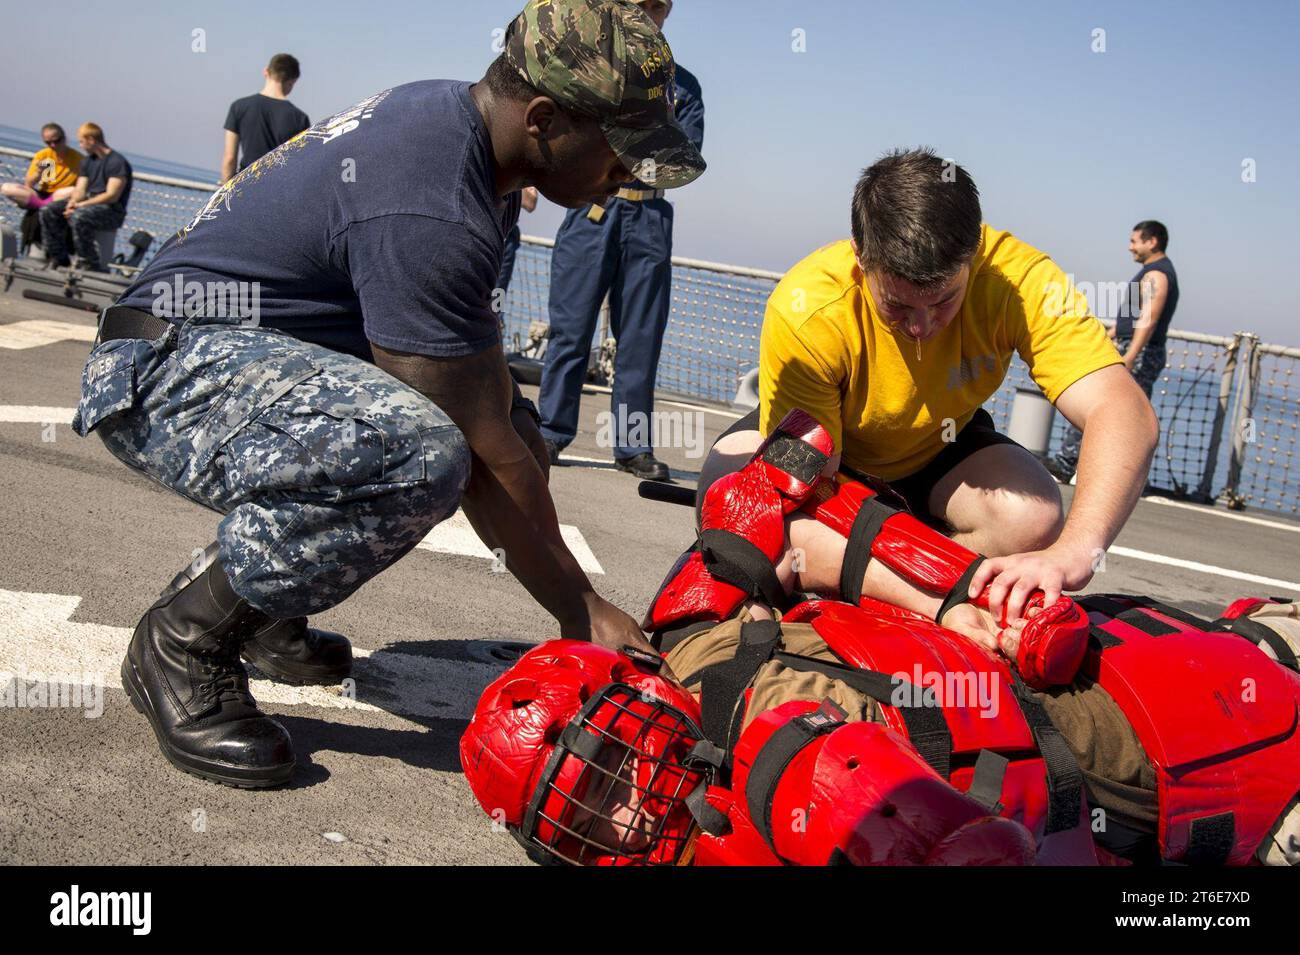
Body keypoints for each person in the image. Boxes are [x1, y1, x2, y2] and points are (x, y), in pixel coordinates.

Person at [73, 0, 704, 788]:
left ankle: (269, 610)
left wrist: (518, 432)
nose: (630, 173)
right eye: (621, 148)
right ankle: (183, 639)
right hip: (160, 364)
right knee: (418, 454)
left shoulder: (460, 126)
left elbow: (488, 396)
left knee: (514, 424)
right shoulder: (435, 198)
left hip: (218, 344)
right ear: (544, 118)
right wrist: (580, 608)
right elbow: (476, 454)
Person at [461, 417, 1300, 866]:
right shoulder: (687, 635)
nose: (618, 814)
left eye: (607, 767)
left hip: (1205, 727)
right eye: (578, 825)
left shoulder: (760, 737)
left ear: (632, 691)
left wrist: (950, 594)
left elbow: (779, 473)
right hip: (1163, 705)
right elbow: (779, 476)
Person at [697, 148, 1157, 627]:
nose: (922, 327)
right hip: (836, 461)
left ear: (974, 254)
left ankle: (881, 585)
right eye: (897, 306)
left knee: (1033, 518)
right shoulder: (807, 308)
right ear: (860, 256)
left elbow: (1123, 411)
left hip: (939, 447)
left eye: (944, 301)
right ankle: (940, 599)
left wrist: (1073, 553)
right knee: (739, 504)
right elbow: (813, 487)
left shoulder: (1021, 282)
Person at [536, 0, 704, 480]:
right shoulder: (595, 70)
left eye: (657, 8)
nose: (648, 14)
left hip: (649, 215)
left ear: (665, 15)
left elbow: (682, 156)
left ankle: (632, 447)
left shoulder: (684, 87)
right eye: (640, 5)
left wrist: (616, 147)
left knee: (640, 338)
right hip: (594, 209)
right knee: (570, 329)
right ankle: (551, 431)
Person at [1048, 220, 1179, 483]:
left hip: (1139, 352)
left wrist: (1130, 357)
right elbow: (1131, 320)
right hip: (1132, 347)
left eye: (1134, 241)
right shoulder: (1152, 273)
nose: (1130, 248)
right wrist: (1106, 336)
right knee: (1114, 411)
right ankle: (1084, 468)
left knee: (1108, 408)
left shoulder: (1156, 275)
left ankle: (1069, 465)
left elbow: (1148, 319)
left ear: (1151, 242)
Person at [39, 123, 133, 272]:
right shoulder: (88, 162)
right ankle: (58, 257)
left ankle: (89, 262)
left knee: (79, 216)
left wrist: (81, 206)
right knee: (48, 210)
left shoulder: (117, 162)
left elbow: (111, 196)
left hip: (111, 211)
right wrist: (72, 203)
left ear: (91, 140)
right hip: (88, 204)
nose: (80, 145)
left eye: (82, 141)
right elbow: (81, 189)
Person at [220, 53, 311, 181]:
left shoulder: (239, 106)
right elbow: (300, 164)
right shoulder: (300, 119)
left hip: (244, 185)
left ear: (266, 72)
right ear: (292, 81)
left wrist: (225, 193)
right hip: (277, 189)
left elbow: (229, 158)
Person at [1, 122, 81, 211]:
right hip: (42, 194)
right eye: (48, 142)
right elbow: (28, 185)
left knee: (73, 190)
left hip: (60, 196)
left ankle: (40, 206)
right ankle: (42, 205)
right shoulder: (43, 155)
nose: (53, 145)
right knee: (6, 188)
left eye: (56, 141)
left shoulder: (79, 159)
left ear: (64, 138)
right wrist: (39, 172)